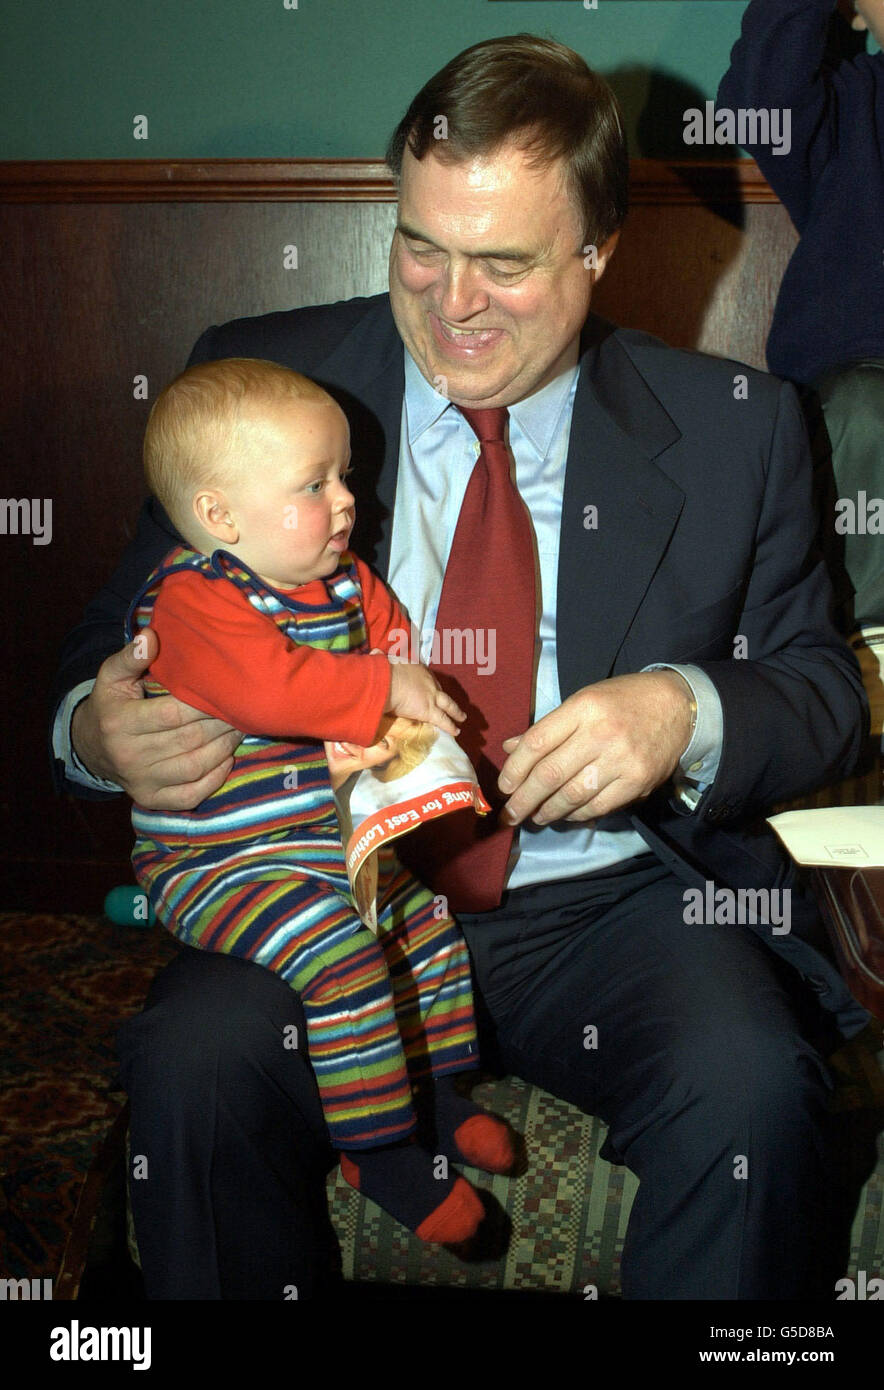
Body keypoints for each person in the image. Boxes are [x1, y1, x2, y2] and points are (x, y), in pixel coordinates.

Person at [52, 34, 871, 1300]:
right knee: (191, 1062)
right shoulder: (266, 381)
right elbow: (106, 644)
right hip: (322, 885)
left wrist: (683, 709)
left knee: (753, 1090)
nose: (451, 301)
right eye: (419, 247)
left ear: (596, 252)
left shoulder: (739, 428)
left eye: (503, 262)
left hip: (617, 904)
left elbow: (821, 689)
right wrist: (99, 732)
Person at [124, 355, 516, 1246]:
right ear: (219, 515)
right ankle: (376, 1151)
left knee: (422, 923)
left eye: (345, 476)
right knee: (341, 956)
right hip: (219, 861)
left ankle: (439, 1095)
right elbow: (272, 686)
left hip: (322, 844)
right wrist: (384, 689)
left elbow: (391, 639)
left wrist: (401, 707)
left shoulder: (344, 582)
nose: (347, 501)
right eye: (315, 484)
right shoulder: (192, 599)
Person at [718, 0, 884, 651]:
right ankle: (866, 663)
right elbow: (762, 96)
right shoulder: (849, 113)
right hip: (855, 397)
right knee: (866, 413)